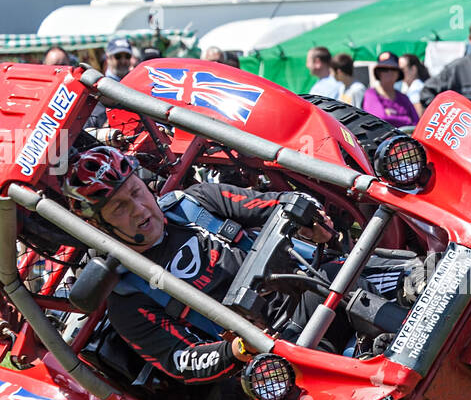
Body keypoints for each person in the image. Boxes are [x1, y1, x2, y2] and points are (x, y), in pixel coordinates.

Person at [60, 147, 416, 384]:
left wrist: (308, 216)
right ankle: (401, 341)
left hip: (307, 289)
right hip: (272, 350)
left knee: (376, 268)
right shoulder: (126, 296)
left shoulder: (193, 202)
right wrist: (234, 350)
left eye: (136, 192)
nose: (139, 209)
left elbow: (274, 203)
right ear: (98, 226)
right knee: (336, 277)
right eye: (120, 208)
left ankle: (423, 303)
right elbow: (180, 360)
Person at [362, 52, 419, 127]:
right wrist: (406, 119)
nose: (389, 72)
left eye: (393, 69)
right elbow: (379, 119)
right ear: (378, 73)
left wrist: (391, 117)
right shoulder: (371, 94)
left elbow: (416, 123)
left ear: (398, 73)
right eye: (384, 69)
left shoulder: (404, 98)